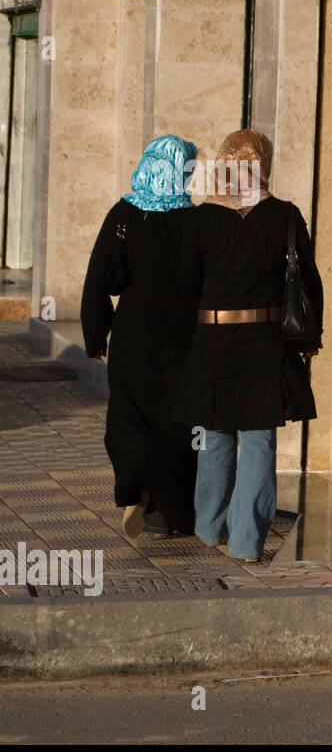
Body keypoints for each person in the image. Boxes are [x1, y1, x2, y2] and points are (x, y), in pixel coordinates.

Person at [174, 130, 323, 562]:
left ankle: (207, 530)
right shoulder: (286, 216)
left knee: (214, 438)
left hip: (213, 340)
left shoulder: (200, 220)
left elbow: (186, 286)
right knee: (259, 442)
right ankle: (245, 543)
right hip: (265, 343)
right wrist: (310, 339)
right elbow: (308, 282)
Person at [82, 134, 200, 538]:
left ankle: (137, 489)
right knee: (178, 423)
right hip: (182, 339)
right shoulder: (194, 222)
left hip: (133, 335)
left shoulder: (123, 214)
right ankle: (172, 511)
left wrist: (96, 336)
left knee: (130, 417)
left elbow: (98, 278)